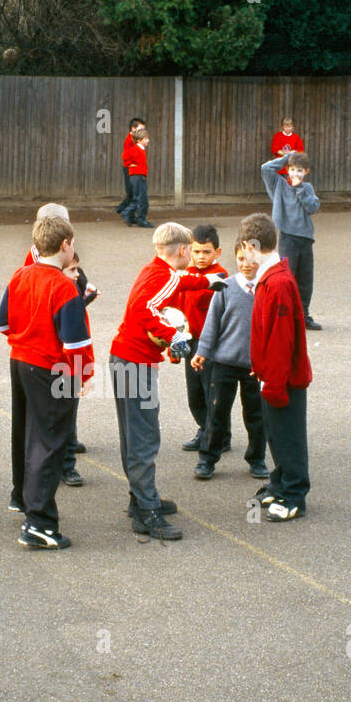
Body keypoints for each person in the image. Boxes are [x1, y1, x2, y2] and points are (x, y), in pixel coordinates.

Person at [108, 222, 227, 541]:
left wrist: (208, 280)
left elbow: (180, 282)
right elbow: (142, 307)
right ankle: (146, 511)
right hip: (134, 364)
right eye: (191, 249)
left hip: (125, 360)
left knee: (135, 436)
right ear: (184, 250)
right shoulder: (163, 275)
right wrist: (173, 335)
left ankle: (141, 498)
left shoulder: (157, 269)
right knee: (144, 438)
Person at [0, 216, 93, 550]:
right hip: (50, 369)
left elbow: (2, 323)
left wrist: (27, 336)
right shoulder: (65, 286)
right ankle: (39, 523)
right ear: (65, 245)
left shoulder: (20, 274)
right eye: (74, 245)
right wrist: (82, 377)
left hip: (19, 362)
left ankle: (23, 499)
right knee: (50, 441)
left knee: (26, 432)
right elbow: (76, 344)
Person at [241, 213, 311, 521]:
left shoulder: (278, 282)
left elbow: (281, 340)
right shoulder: (269, 278)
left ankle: (295, 493)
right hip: (270, 375)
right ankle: (280, 482)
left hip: (284, 380)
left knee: (289, 436)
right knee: (275, 434)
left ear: (249, 245)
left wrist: (275, 383)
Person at [191, 244, 268, 481]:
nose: (246, 264)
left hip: (255, 366)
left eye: (251, 259)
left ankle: (257, 459)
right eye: (241, 258)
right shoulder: (226, 287)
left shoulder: (267, 288)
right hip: (224, 362)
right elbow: (212, 322)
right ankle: (208, 458)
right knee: (217, 412)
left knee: (256, 415)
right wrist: (203, 350)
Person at [178, 225, 229, 453]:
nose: (200, 257)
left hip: (210, 344)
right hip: (191, 340)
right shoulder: (189, 274)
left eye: (206, 252)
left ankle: (219, 435)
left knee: (212, 393)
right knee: (195, 394)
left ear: (217, 252)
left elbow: (197, 297)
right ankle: (204, 428)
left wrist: (185, 277)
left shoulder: (219, 276)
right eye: (196, 252)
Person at [261, 151, 323, 329]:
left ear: (307, 172)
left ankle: (304, 316)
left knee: (305, 280)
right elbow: (265, 168)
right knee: (286, 279)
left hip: (305, 238)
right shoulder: (278, 185)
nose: (296, 173)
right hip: (287, 237)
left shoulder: (307, 188)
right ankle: (285, 317)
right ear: (287, 169)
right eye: (293, 169)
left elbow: (312, 207)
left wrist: (300, 189)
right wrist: (287, 157)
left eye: (300, 170)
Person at [60, 250, 98, 488]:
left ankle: (70, 444)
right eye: (72, 270)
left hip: (67, 362)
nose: (77, 275)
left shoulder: (72, 287)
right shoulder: (62, 293)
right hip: (62, 363)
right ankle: (66, 465)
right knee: (63, 412)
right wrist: (84, 373)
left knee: (68, 408)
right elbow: (74, 339)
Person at [119, 128, 153, 228]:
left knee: (138, 197)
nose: (148, 141)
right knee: (142, 198)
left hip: (138, 176)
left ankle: (129, 214)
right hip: (137, 176)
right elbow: (125, 156)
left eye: (147, 139)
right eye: (145, 139)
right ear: (139, 140)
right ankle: (139, 218)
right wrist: (130, 165)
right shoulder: (136, 149)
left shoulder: (140, 149)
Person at [115, 117, 146, 220]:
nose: (143, 131)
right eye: (140, 128)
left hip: (133, 169)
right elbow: (126, 155)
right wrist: (129, 164)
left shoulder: (134, 138)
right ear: (133, 128)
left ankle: (123, 210)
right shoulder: (130, 139)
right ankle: (124, 211)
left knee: (132, 192)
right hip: (130, 169)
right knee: (132, 192)